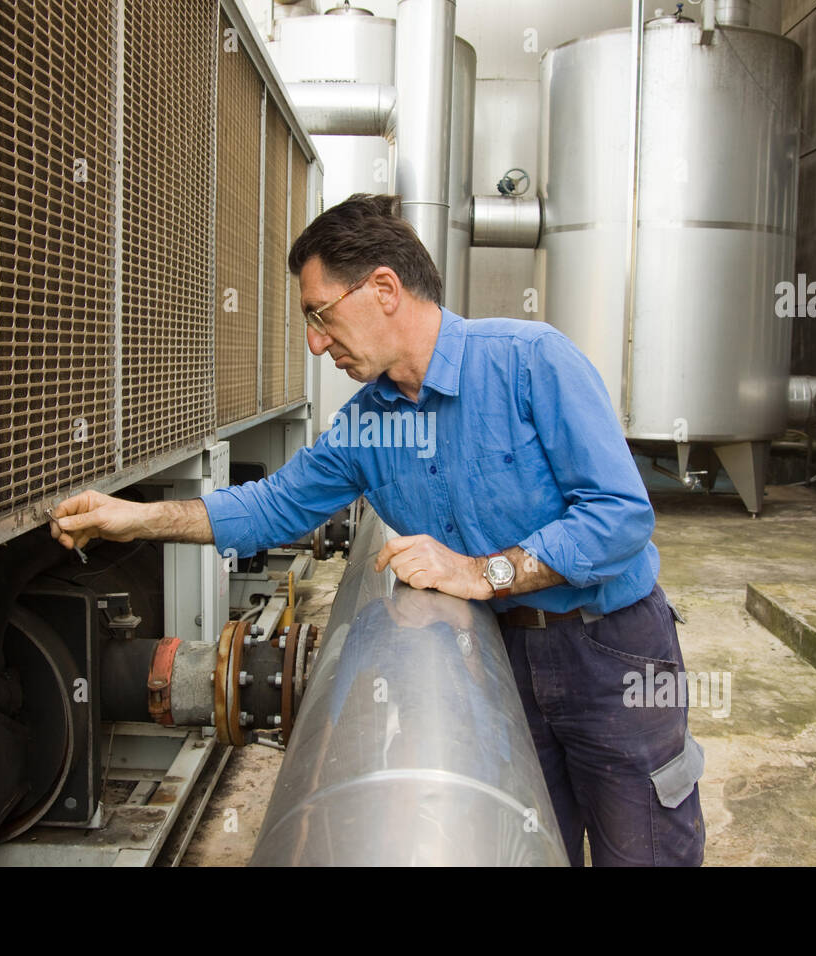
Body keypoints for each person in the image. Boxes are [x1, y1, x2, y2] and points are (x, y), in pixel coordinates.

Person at [50, 193, 705, 866]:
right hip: (501, 657)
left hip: (611, 652)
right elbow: (273, 505)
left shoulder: (529, 362)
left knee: (645, 849)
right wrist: (135, 519)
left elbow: (620, 514)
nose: (314, 341)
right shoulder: (369, 423)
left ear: (384, 289)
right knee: (530, 845)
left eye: (320, 314)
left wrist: (484, 572)